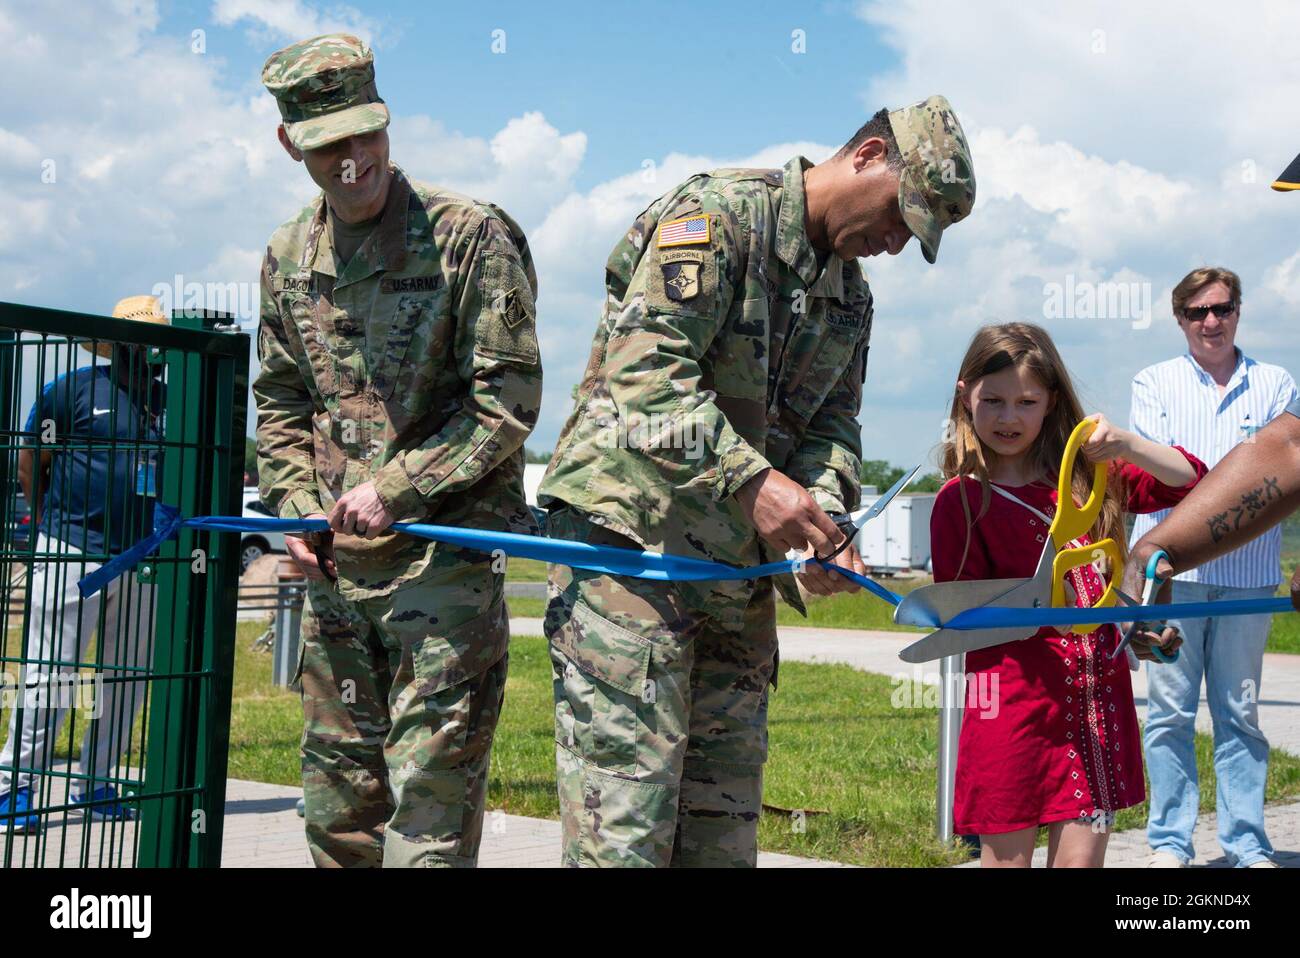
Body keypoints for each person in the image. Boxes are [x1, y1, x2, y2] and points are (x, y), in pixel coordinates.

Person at [538, 95, 976, 867]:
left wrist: (825, 519)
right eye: (899, 216)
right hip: (630, 556)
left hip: (735, 581)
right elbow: (644, 374)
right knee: (625, 840)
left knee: (721, 839)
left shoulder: (851, 299)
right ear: (868, 155)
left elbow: (833, 425)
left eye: (914, 236)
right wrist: (751, 482)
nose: (895, 243)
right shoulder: (719, 217)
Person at [254, 33, 542, 867]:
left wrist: (397, 490)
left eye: (366, 134)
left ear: (388, 122)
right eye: (328, 145)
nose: (354, 160)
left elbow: (508, 400)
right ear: (290, 144)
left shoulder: (468, 236)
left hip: (443, 574)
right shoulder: (286, 256)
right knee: (337, 810)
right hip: (336, 581)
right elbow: (280, 401)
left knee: (428, 820)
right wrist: (294, 509)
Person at [929, 322, 1202, 868]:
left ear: (1051, 402)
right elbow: (960, 617)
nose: (1009, 418)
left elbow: (1190, 480)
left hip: (1094, 704)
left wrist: (1126, 444)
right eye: (994, 401)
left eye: (1027, 402)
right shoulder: (961, 502)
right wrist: (1042, 613)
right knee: (1007, 861)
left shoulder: (1089, 477)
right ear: (965, 397)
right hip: (1011, 708)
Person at [1126, 268, 1297, 869]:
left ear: (1238, 312)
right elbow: (1163, 475)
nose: (1211, 321)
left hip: (1249, 577)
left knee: (1240, 713)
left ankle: (1246, 843)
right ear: (1180, 318)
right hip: (1170, 579)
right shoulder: (1154, 381)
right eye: (1197, 311)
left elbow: (1284, 474)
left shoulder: (1276, 383)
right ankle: (1169, 842)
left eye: (1222, 308)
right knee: (1169, 714)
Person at [0, 295, 166, 832]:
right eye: (135, 340)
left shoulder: (171, 400)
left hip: (144, 557)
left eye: (154, 341)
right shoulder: (71, 389)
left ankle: (95, 782)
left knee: (128, 676)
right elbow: (32, 462)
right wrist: (51, 530)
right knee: (51, 673)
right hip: (72, 551)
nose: (145, 351)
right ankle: (13, 785)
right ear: (115, 344)